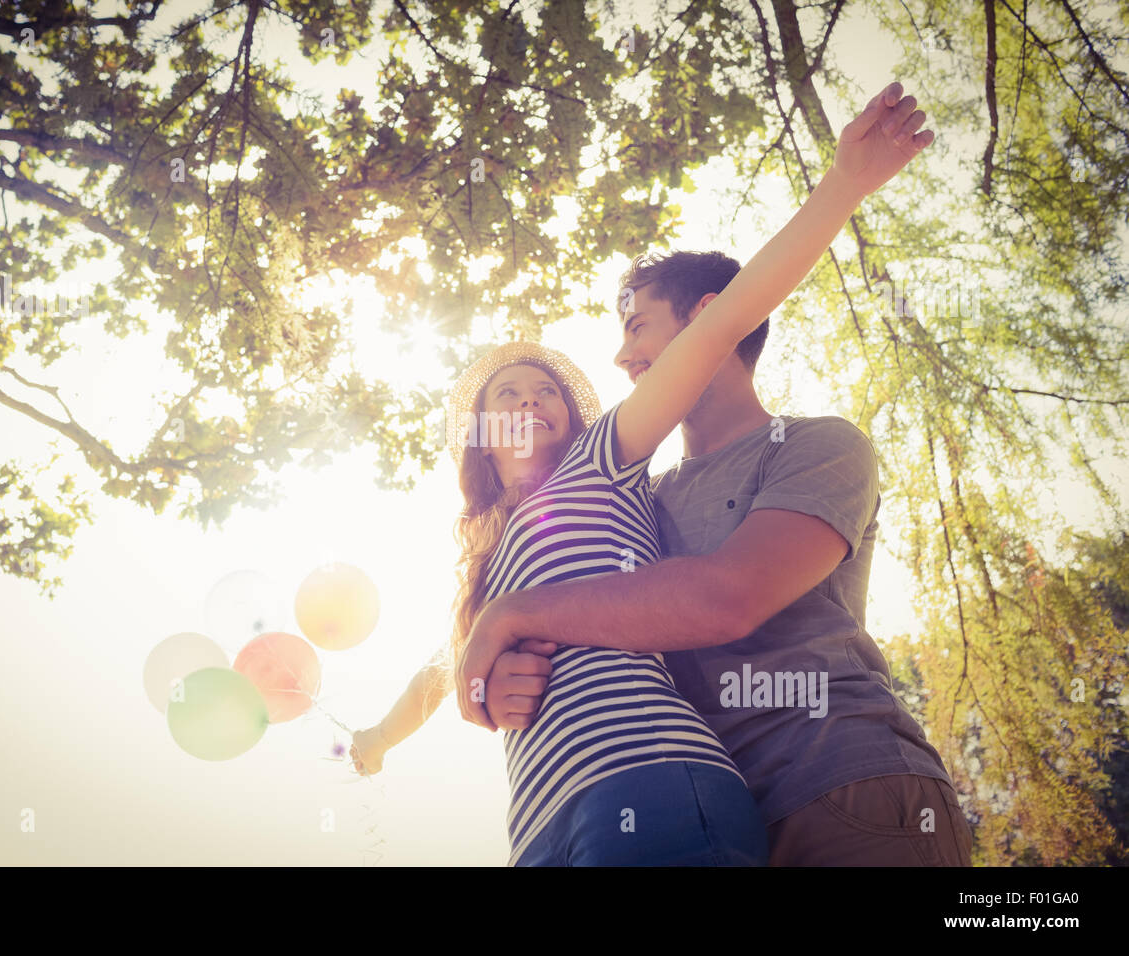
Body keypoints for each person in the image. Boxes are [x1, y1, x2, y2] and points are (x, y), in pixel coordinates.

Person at [358, 81, 935, 865]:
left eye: (546, 391)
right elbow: (445, 664)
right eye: (506, 396)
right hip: (557, 822)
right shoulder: (624, 513)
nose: (531, 401)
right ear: (480, 438)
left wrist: (844, 186)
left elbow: (726, 322)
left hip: (742, 780)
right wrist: (391, 730)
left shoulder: (615, 463)